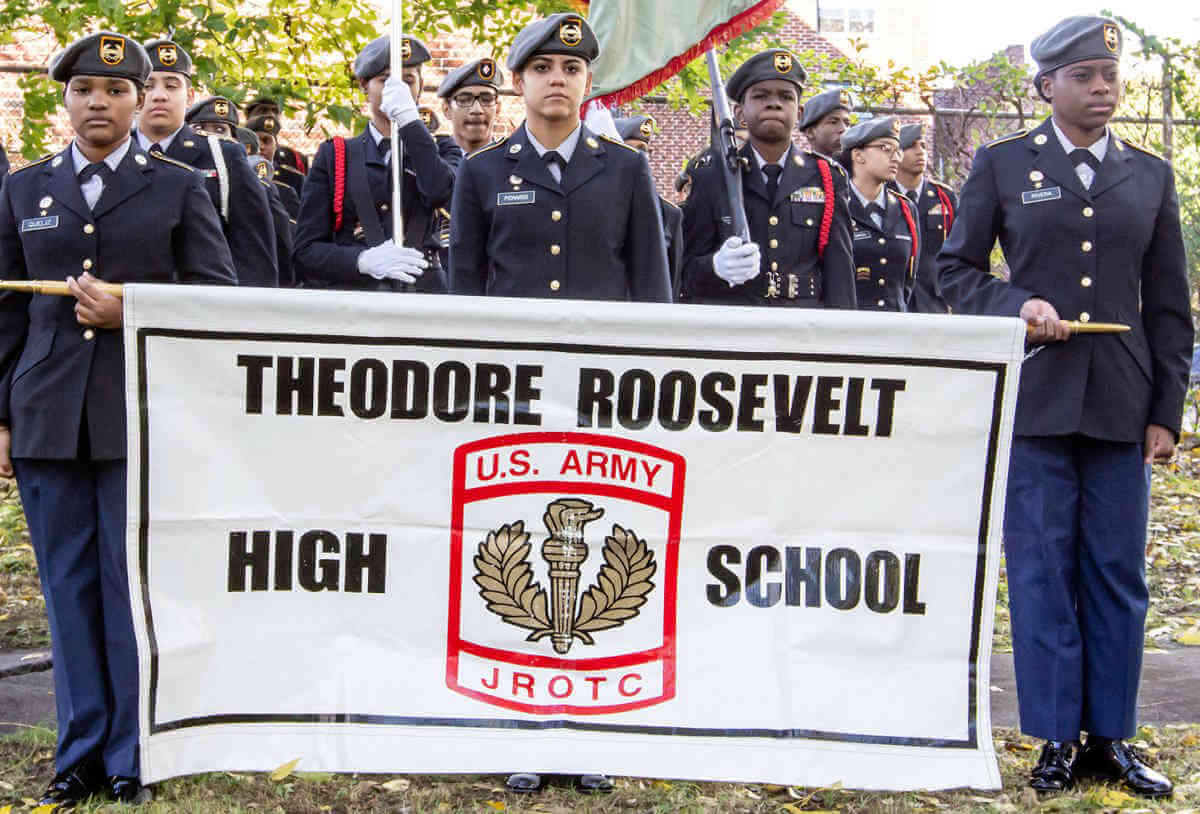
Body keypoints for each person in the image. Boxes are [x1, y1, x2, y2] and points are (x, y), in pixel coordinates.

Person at [938, 16, 1193, 798]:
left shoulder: (1149, 175)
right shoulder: (1004, 165)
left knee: (1116, 572)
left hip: (1121, 397)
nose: (1103, 89)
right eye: (1084, 76)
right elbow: (952, 273)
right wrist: (1014, 303)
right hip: (1039, 399)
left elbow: (1170, 307)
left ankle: (1112, 737)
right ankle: (1054, 738)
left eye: (1111, 77)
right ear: (1046, 85)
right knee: (1044, 569)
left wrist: (1166, 409)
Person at [0, 32, 236, 807]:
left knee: (128, 589)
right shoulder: (23, 189)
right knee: (65, 592)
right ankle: (79, 755)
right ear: (64, 101)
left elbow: (215, 301)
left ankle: (133, 754)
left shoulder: (177, 185)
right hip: (43, 415)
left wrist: (132, 306)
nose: (98, 104)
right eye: (84, 92)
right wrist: (0, 419)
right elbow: (5, 312)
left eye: (115, 91)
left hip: (142, 411)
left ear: (139, 100)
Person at [449, 13, 670, 304]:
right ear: (518, 82)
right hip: (513, 345)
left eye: (571, 69)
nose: (557, 79)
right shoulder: (481, 169)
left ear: (588, 83)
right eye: (541, 68)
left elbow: (651, 285)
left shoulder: (626, 167)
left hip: (599, 345)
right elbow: (464, 288)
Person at [679, 49, 855, 308]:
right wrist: (715, 266)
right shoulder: (711, 174)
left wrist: (842, 340)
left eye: (786, 97)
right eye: (761, 96)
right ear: (739, 113)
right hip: (735, 326)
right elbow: (685, 272)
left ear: (800, 112)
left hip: (803, 329)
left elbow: (840, 273)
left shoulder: (826, 177)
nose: (774, 103)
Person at [292, 35, 459, 292]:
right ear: (364, 85)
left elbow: (441, 192)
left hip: (426, 297)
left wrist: (410, 123)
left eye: (408, 81)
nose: (398, 89)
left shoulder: (443, 150)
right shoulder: (336, 155)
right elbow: (305, 251)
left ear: (420, 87)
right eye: (385, 80)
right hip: (357, 299)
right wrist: (360, 261)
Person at [139, 40, 278, 286]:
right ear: (137, 94)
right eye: (148, 86)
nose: (159, 95)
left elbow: (255, 254)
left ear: (189, 95)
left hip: (204, 306)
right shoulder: (116, 154)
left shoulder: (223, 156)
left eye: (172, 86)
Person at [835, 116, 919, 311]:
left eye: (897, 150)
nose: (897, 157)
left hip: (894, 328)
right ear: (858, 155)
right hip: (849, 327)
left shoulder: (905, 209)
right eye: (885, 148)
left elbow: (907, 281)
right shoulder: (837, 205)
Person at [888, 123, 955, 313]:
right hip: (894, 299)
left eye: (923, 146)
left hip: (934, 300)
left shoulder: (944, 197)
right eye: (911, 146)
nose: (920, 152)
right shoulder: (883, 196)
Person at [614, 115, 683, 296]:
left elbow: (672, 284)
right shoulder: (597, 203)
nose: (641, 158)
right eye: (632, 150)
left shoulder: (670, 214)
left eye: (644, 150)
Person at [438, 58, 503, 157]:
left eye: (486, 99)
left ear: (498, 108)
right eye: (464, 100)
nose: (476, 110)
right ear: (447, 109)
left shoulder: (515, 165)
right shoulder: (433, 163)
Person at [244, 94, 307, 194]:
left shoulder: (295, 158)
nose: (271, 115)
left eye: (275, 111)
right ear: (248, 116)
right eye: (263, 111)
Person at [247, 113, 301, 219]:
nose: (261, 147)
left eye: (266, 141)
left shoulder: (294, 178)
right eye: (255, 141)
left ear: (276, 146)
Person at [800, 87, 853, 157]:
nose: (844, 129)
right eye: (833, 122)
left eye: (847, 124)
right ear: (810, 132)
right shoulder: (796, 166)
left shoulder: (848, 167)